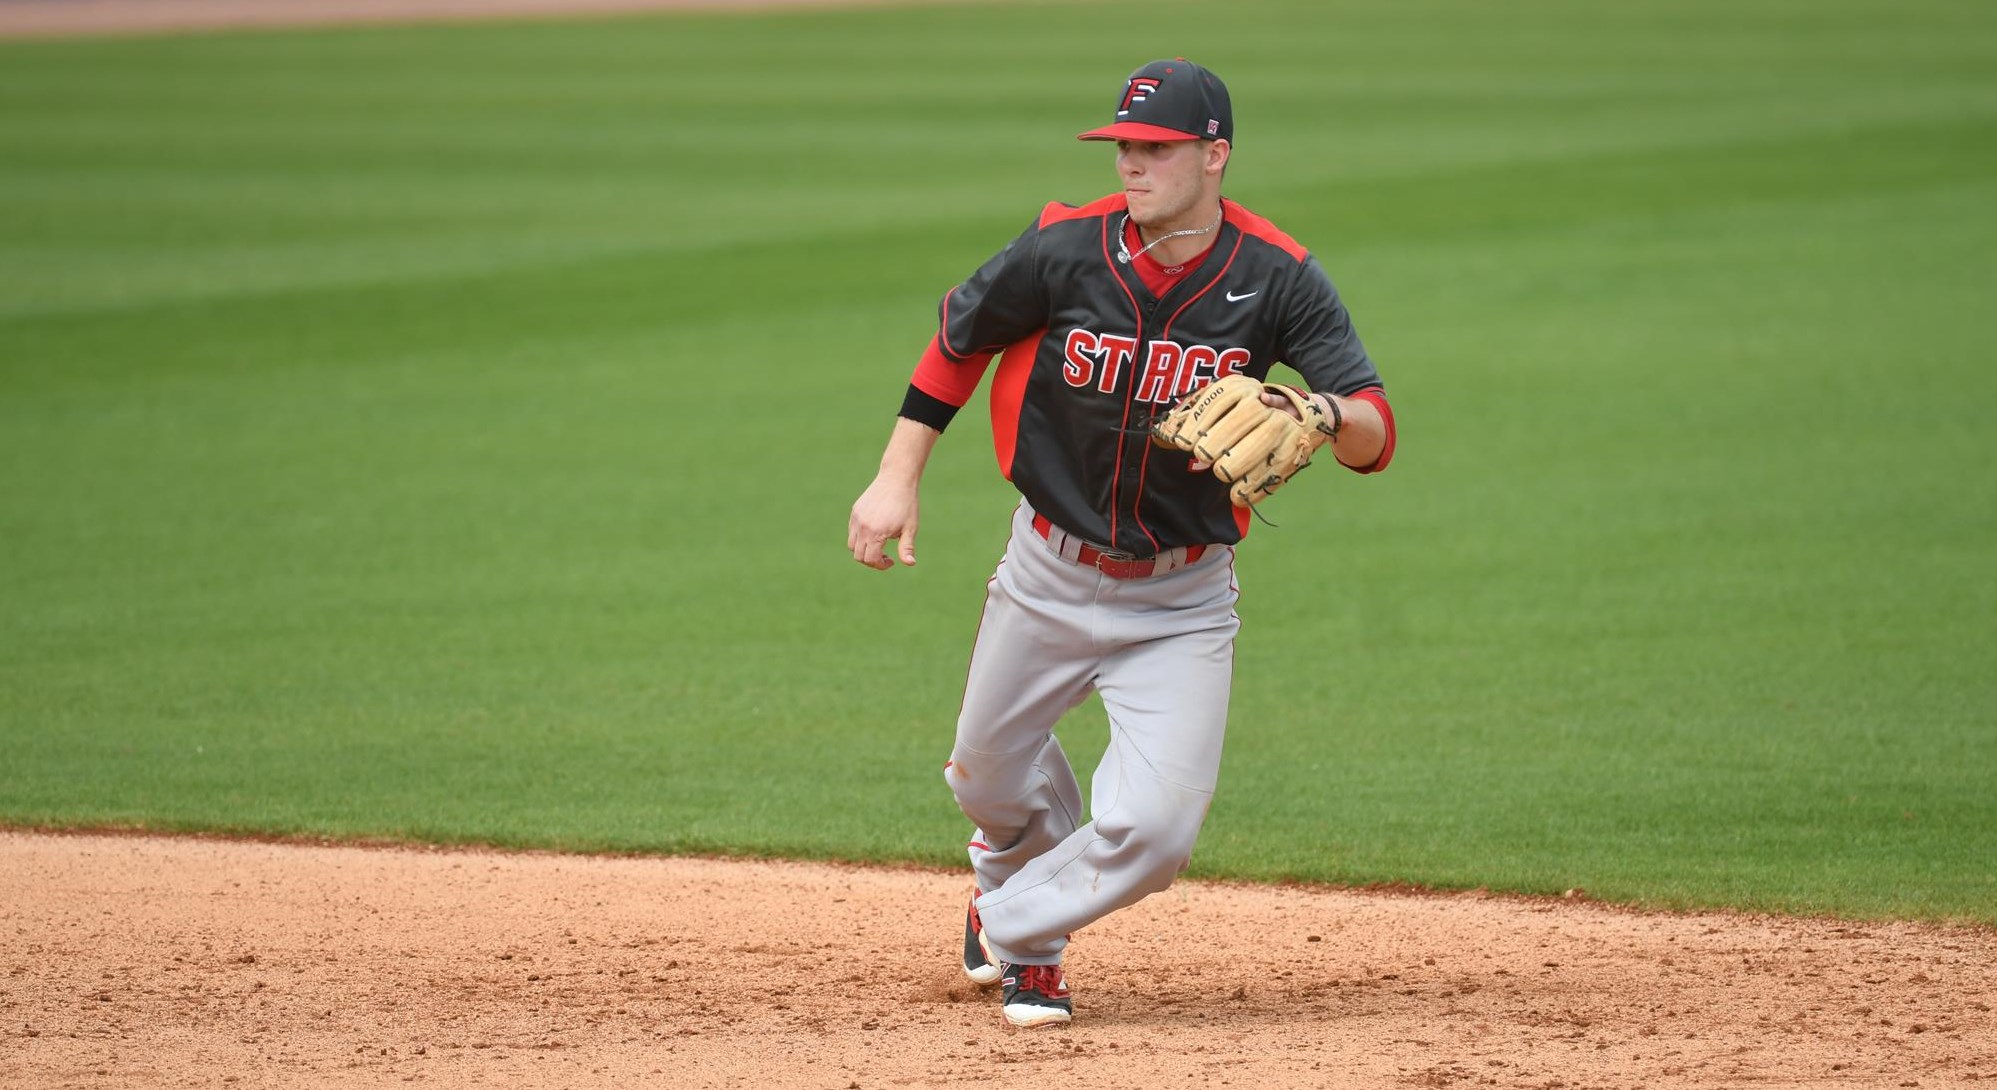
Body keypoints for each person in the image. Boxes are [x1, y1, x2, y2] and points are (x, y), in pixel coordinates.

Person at [845, 58, 1396, 1028]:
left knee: (1153, 833)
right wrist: (896, 475)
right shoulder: (1065, 248)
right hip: (1044, 573)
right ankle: (1017, 900)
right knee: (986, 779)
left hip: (1178, 602)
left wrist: (1318, 409)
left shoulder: (1277, 275)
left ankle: (1020, 935)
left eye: (1155, 148)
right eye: (1123, 147)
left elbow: (1375, 431)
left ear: (1213, 154)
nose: (1132, 164)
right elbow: (958, 338)